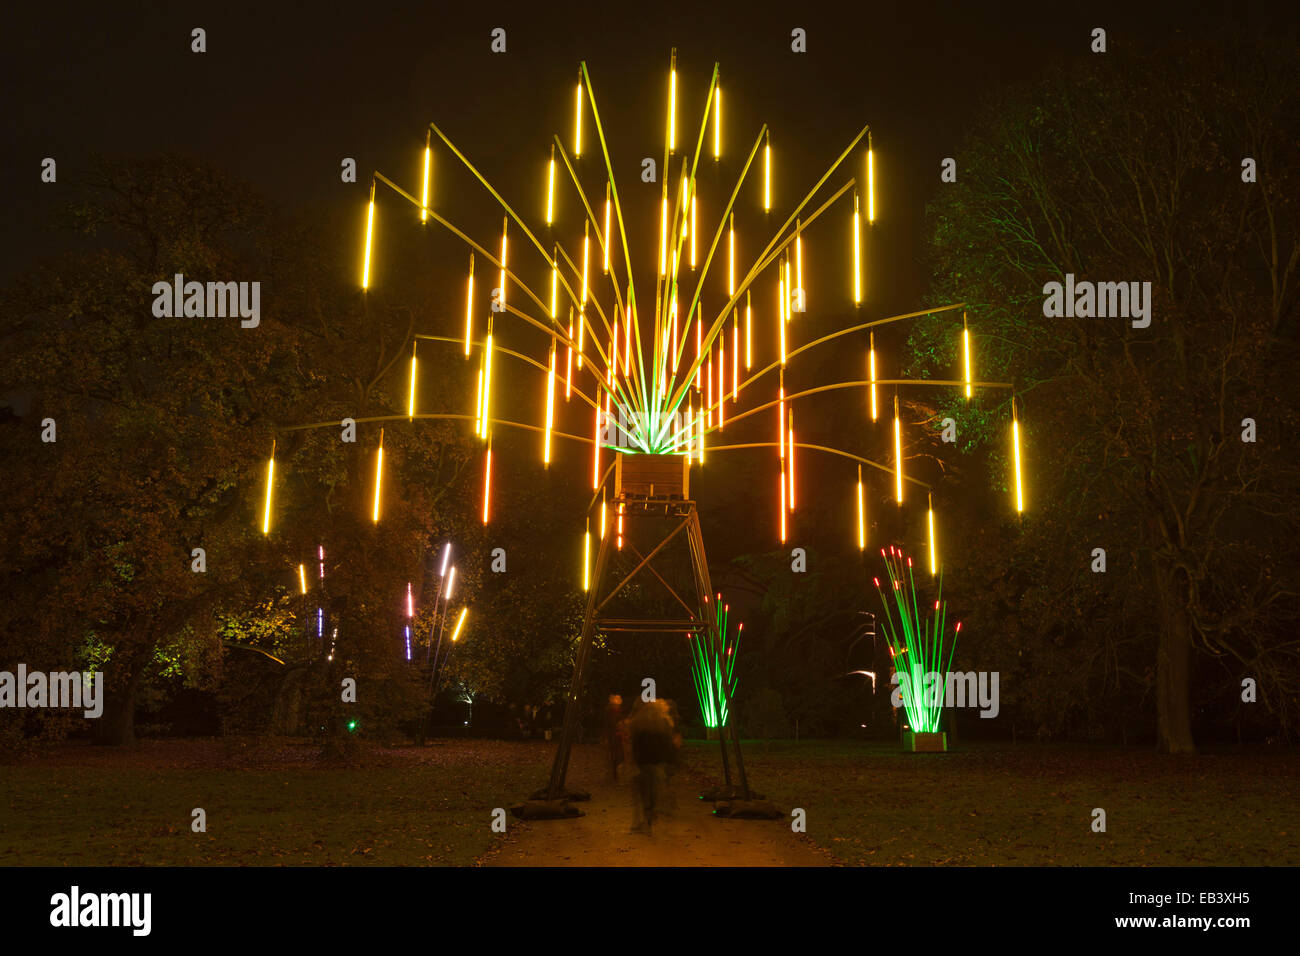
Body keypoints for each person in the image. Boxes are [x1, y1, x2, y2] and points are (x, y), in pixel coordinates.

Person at [628, 698, 675, 833]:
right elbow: (666, 744)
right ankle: (650, 815)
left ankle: (645, 816)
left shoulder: (639, 725)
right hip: (655, 762)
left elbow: (635, 744)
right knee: (653, 789)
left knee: (643, 791)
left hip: (643, 762)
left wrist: (634, 759)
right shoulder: (661, 726)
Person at [602, 694, 625, 782]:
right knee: (615, 756)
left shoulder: (616, 712)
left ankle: (613, 775)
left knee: (617, 756)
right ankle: (613, 775)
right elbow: (610, 725)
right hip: (613, 737)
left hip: (616, 737)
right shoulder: (610, 712)